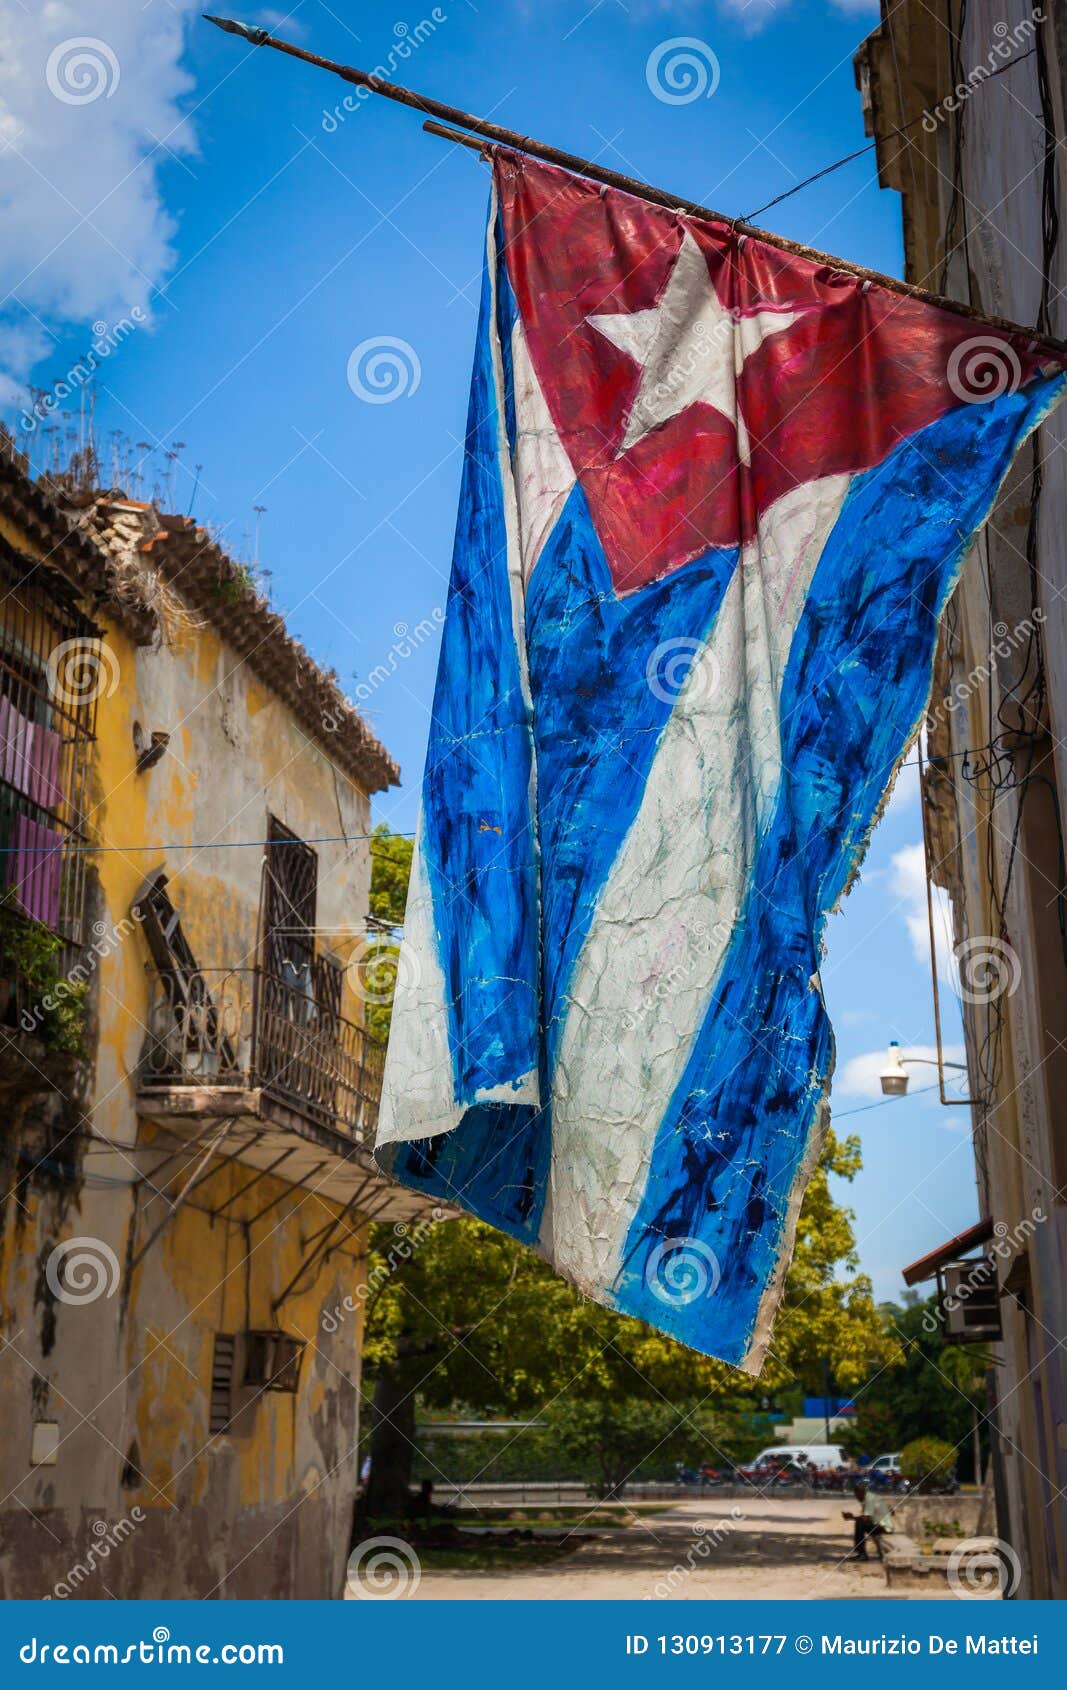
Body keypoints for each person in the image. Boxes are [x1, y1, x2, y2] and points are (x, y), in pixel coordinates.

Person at [842, 1479, 892, 1559]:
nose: (857, 1498)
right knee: (859, 1522)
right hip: (880, 1525)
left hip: (884, 1527)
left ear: (862, 1492)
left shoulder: (869, 1499)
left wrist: (851, 1517)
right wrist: (853, 1517)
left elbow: (865, 1519)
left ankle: (862, 1554)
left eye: (857, 1496)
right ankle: (861, 1553)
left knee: (859, 1524)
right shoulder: (868, 1498)